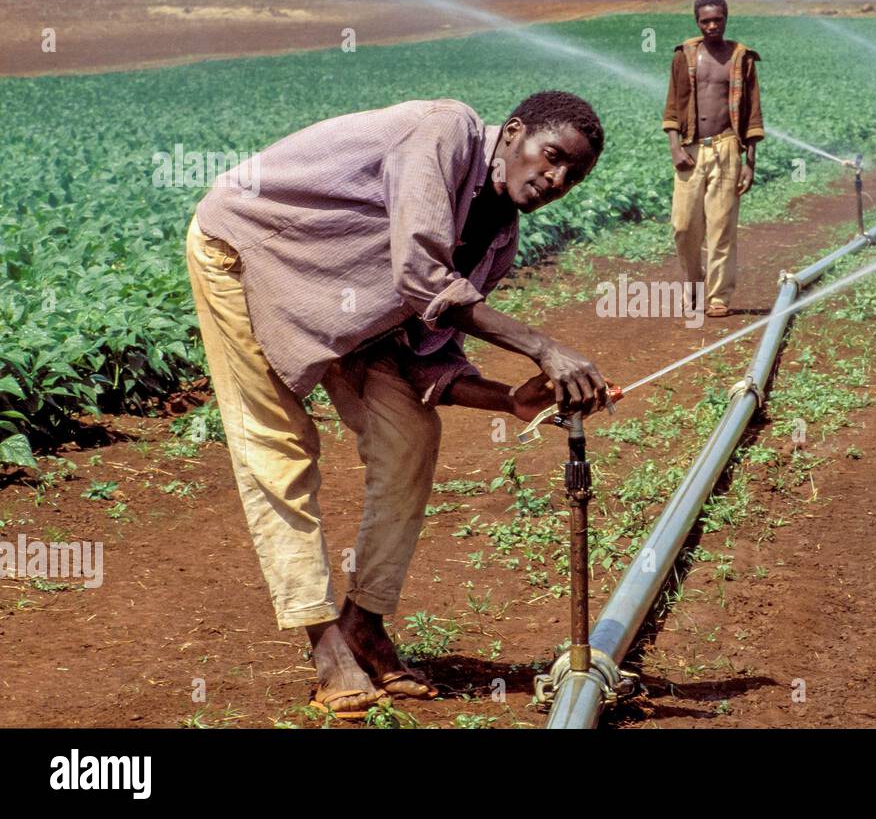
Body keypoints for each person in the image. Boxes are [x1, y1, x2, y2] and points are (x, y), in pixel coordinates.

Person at [186, 91, 609, 718]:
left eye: (573, 176)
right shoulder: (444, 132)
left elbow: (425, 354)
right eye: (552, 158)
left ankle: (365, 622)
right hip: (249, 256)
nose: (556, 180)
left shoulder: (497, 241)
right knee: (278, 448)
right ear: (513, 133)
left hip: (353, 302)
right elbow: (419, 277)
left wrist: (508, 401)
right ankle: (327, 648)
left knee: (410, 433)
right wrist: (542, 347)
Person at [662, 0, 765, 319]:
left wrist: (750, 162)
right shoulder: (685, 55)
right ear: (697, 21)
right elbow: (672, 105)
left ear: (726, 19)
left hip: (726, 149)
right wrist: (675, 147)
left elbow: (752, 113)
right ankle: (693, 282)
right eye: (705, 20)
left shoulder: (742, 58)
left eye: (717, 20)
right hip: (691, 149)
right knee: (683, 225)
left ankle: (718, 296)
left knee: (722, 228)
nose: (711, 25)